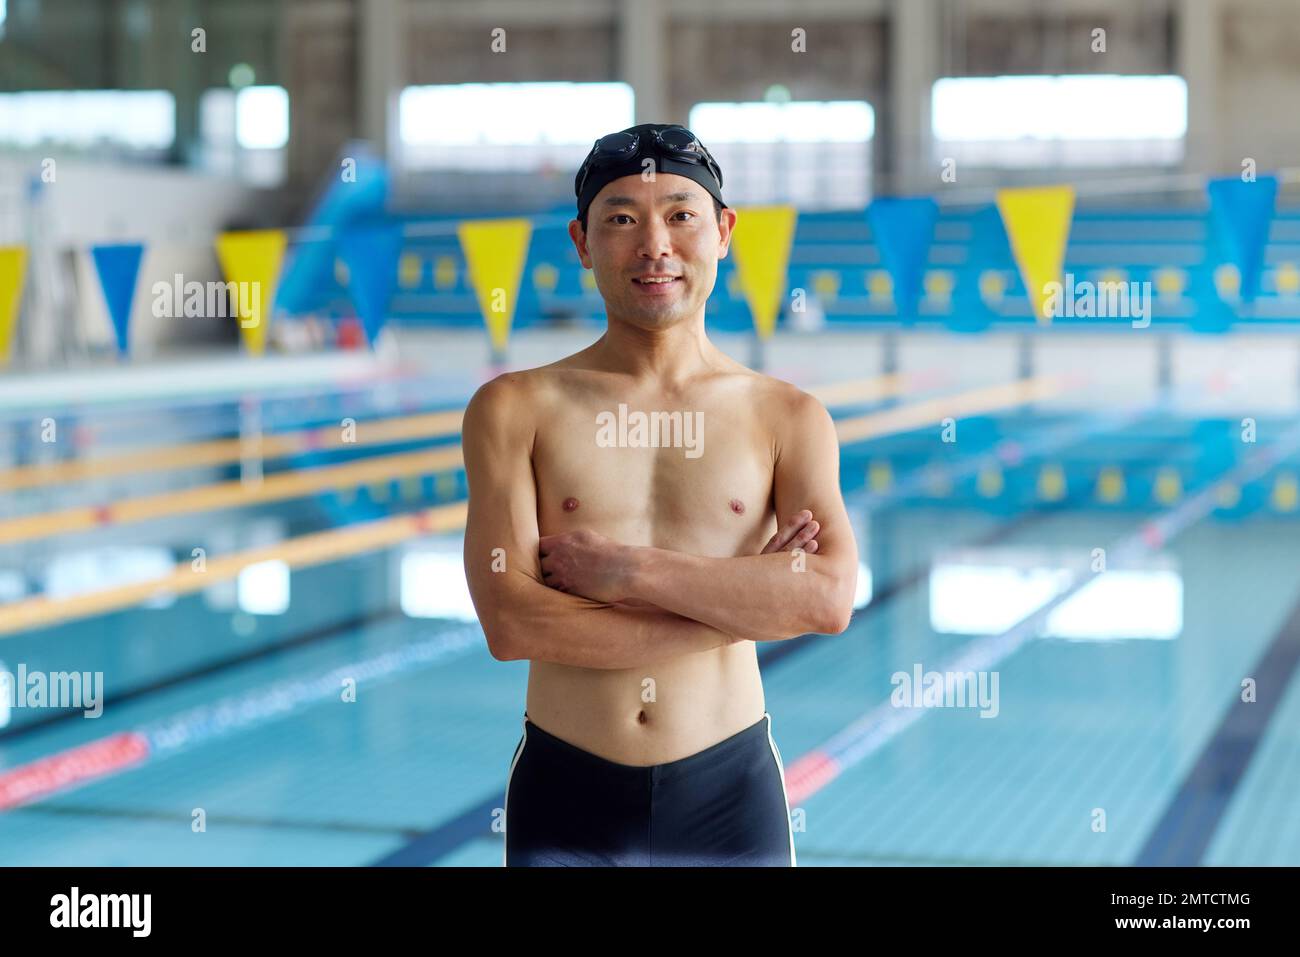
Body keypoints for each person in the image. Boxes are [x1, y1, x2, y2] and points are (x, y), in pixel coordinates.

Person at [462, 123, 859, 866]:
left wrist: (632, 572)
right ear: (581, 242)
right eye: (621, 219)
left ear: (724, 231)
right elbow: (512, 623)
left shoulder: (788, 417)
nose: (655, 246)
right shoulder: (514, 408)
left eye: (681, 214)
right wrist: (745, 601)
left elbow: (829, 598)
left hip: (730, 799)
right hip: (566, 795)